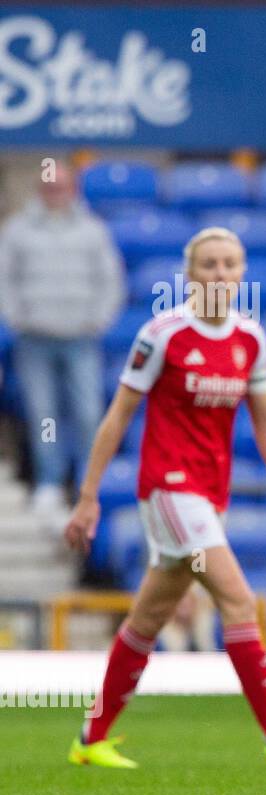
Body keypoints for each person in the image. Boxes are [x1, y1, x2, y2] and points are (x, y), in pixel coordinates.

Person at [63, 227, 266, 769]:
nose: (219, 274)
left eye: (229, 264)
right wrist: (89, 496)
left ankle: (90, 739)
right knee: (237, 599)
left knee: (149, 617)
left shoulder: (250, 339)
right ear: (190, 274)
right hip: (168, 490)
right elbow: (118, 416)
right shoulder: (163, 334)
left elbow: (264, 420)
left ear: (242, 273)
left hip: (210, 494)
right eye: (208, 264)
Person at [0, 160, 125, 528]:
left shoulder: (92, 231)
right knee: (46, 417)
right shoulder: (17, 231)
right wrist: (17, 316)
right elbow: (4, 278)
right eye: (50, 189)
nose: (56, 195)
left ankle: (87, 486)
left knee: (87, 413)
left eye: (63, 188)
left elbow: (110, 279)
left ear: (73, 190)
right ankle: (50, 484)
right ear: (41, 190)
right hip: (35, 340)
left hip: (81, 340)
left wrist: (99, 317)